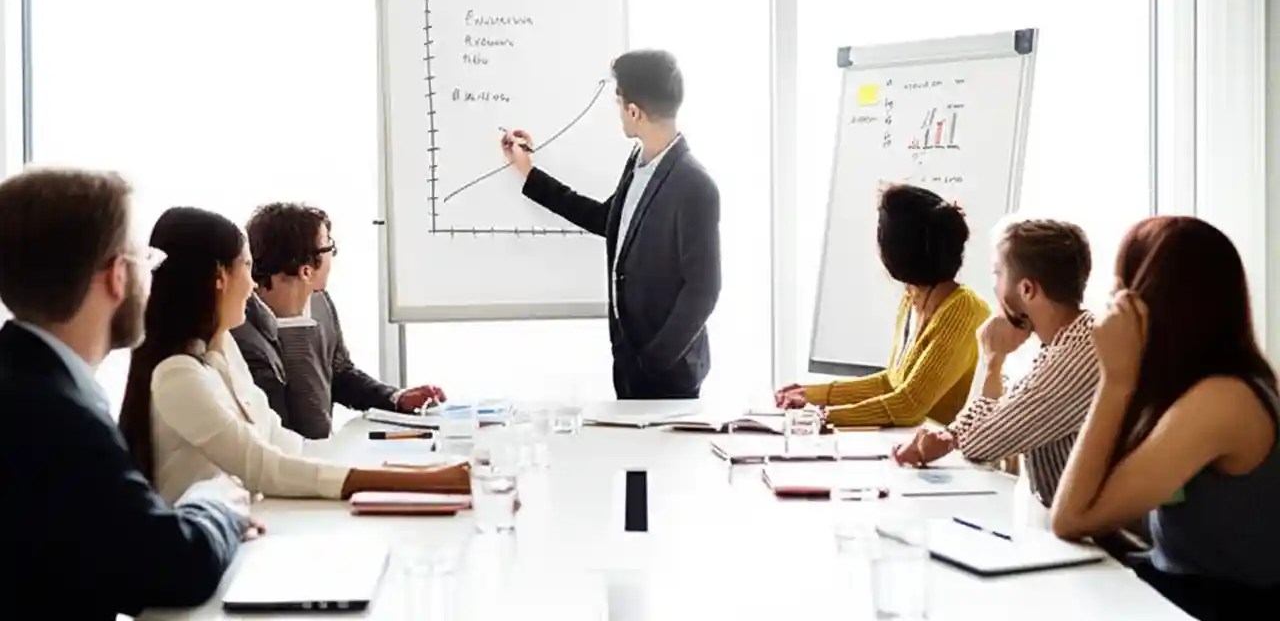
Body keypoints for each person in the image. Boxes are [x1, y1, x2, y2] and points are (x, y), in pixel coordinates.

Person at [0, 169, 251, 619]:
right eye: (147, 262)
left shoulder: (28, 381)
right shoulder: (54, 416)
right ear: (118, 276)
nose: (151, 281)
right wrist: (217, 501)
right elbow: (173, 566)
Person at [119, 206, 470, 503]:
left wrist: (416, 470)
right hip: (209, 561)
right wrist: (421, 482)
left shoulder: (221, 348)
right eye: (246, 265)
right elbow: (264, 468)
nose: (254, 283)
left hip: (249, 528)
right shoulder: (178, 375)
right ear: (219, 277)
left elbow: (285, 442)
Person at [1051, 217, 1280, 618]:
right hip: (1185, 591)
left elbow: (1071, 517)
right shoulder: (1204, 387)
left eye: (1118, 295)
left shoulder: (1223, 399)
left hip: (1214, 605)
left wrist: (1115, 382)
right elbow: (1106, 510)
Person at [501, 49, 721, 399]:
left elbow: (704, 290)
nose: (618, 112)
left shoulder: (695, 185)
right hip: (631, 363)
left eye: (618, 103)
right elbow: (608, 220)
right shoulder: (639, 162)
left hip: (668, 373)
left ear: (634, 111)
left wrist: (653, 361)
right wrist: (529, 172)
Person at [893, 219, 1099, 506]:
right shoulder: (1063, 343)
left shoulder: (1077, 355)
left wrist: (991, 362)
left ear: (1027, 290)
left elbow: (982, 443)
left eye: (997, 273)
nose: (994, 285)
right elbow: (981, 428)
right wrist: (949, 435)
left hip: (1104, 543)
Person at [775, 184, 989, 426]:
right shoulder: (913, 297)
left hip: (954, 460)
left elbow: (908, 406)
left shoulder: (963, 311)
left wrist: (822, 416)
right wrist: (810, 395)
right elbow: (891, 382)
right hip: (914, 451)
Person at [231, 202, 445, 439]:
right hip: (277, 464)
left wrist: (395, 398)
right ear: (306, 271)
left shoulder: (320, 301)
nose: (333, 255)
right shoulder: (238, 325)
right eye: (328, 247)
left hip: (324, 455)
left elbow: (340, 373)